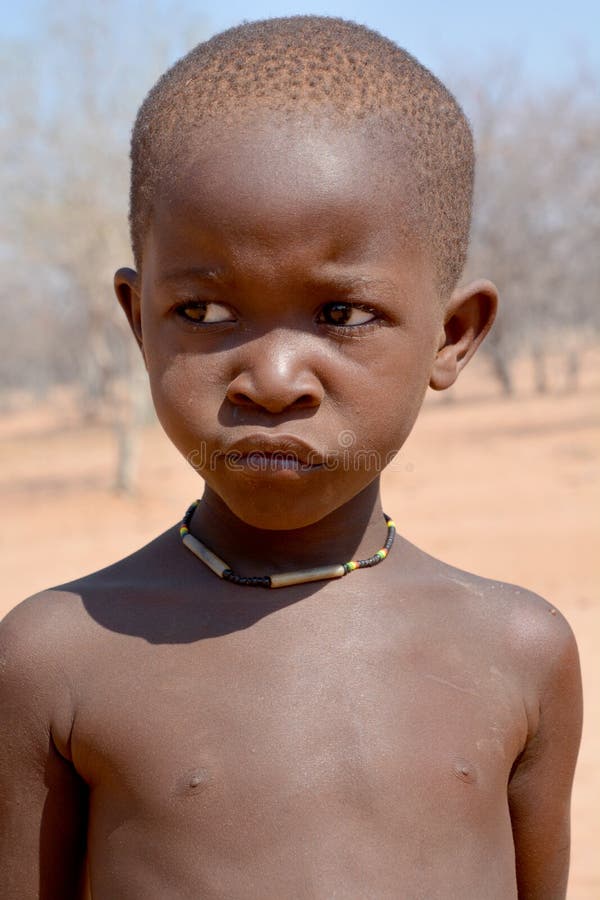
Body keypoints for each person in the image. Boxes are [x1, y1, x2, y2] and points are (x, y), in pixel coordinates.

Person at [0, 16, 582, 899]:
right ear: (137, 322)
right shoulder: (59, 658)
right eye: (202, 312)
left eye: (340, 315)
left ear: (452, 337)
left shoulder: (518, 652)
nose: (271, 381)